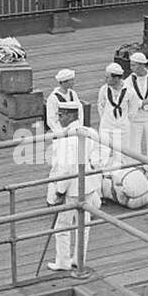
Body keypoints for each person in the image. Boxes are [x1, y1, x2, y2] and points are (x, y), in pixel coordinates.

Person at [44, 102, 103, 273]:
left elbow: (66, 168)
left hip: (71, 189)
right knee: (84, 225)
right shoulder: (90, 132)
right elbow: (97, 159)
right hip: (89, 186)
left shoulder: (66, 138)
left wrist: (59, 191)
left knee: (62, 226)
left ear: (70, 116)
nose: (59, 118)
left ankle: (62, 262)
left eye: (61, 115)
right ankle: (79, 259)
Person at [125, 51, 148, 157]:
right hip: (135, 119)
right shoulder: (128, 81)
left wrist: (140, 105)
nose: (131, 68)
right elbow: (129, 103)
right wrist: (144, 102)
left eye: (134, 65)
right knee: (134, 146)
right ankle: (135, 167)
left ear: (141, 65)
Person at [97, 62, 133, 165]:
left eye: (108, 77)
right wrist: (106, 119)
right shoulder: (104, 89)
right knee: (104, 153)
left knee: (122, 154)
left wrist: (123, 121)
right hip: (106, 126)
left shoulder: (129, 91)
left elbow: (133, 109)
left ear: (116, 78)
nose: (105, 80)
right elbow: (101, 106)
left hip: (122, 128)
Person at [45, 69, 82, 136]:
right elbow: (51, 119)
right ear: (64, 82)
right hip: (61, 133)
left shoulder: (73, 94)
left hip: (75, 130)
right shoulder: (53, 98)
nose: (73, 82)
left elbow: (80, 111)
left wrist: (79, 126)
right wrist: (61, 132)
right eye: (71, 80)